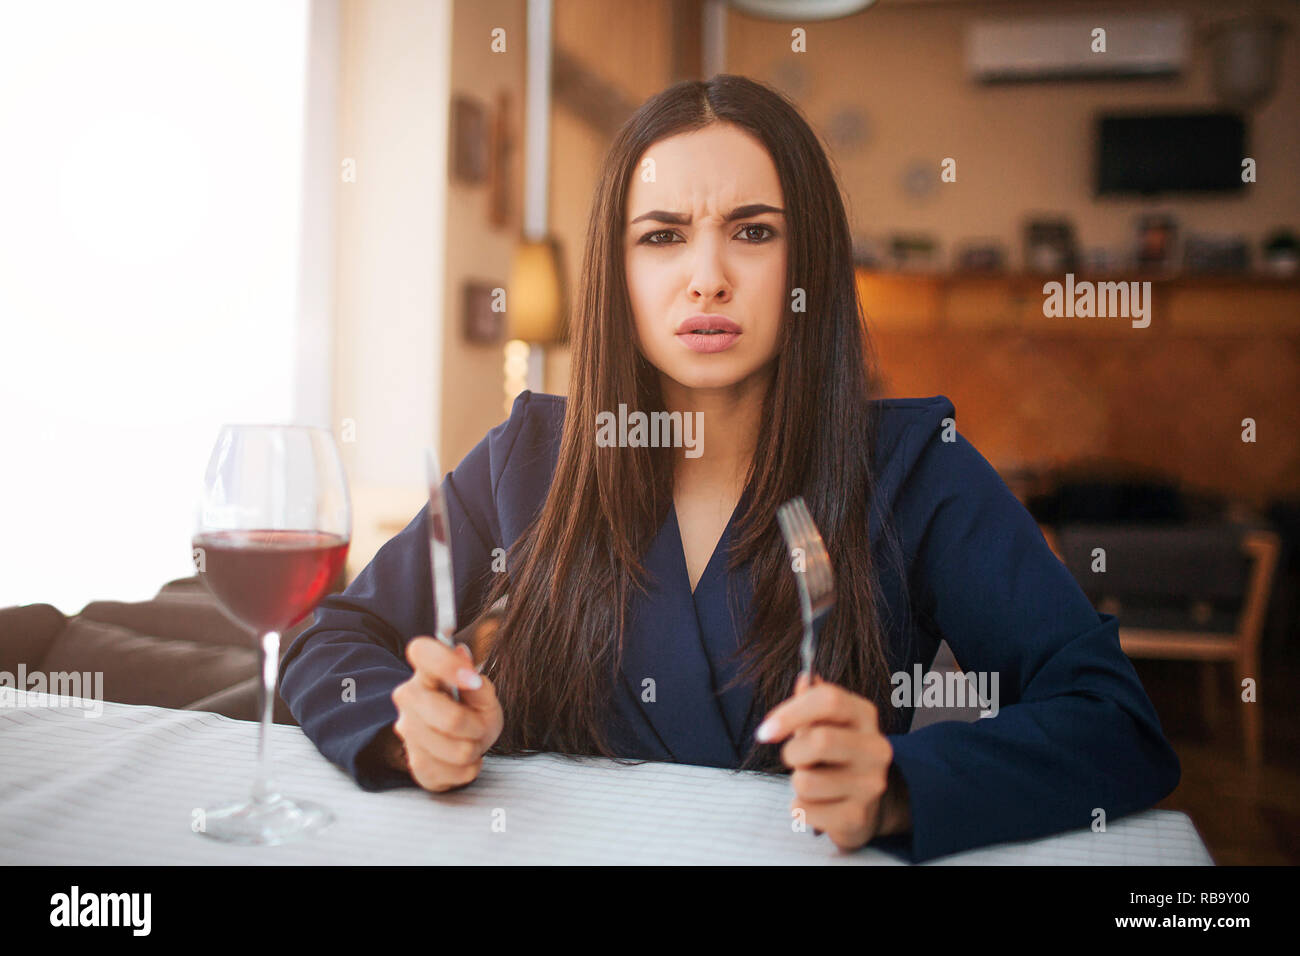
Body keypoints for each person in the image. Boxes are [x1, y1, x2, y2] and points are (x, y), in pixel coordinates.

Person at [279, 74, 1179, 863]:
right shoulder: (531, 453)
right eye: (663, 237)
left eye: (752, 232)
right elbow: (329, 639)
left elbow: (1114, 718)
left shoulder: (915, 468)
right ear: (615, 274)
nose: (706, 277)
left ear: (810, 263)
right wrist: (404, 729)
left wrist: (899, 782)